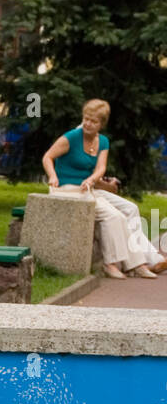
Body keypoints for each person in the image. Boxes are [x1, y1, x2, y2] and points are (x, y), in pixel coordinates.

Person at [42, 100, 161, 279]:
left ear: (101, 124)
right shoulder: (72, 137)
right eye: (86, 119)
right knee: (113, 216)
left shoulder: (103, 142)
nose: (88, 124)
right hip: (66, 189)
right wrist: (52, 176)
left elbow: (100, 168)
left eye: (93, 121)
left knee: (129, 209)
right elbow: (47, 157)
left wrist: (91, 179)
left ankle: (138, 263)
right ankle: (111, 264)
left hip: (87, 188)